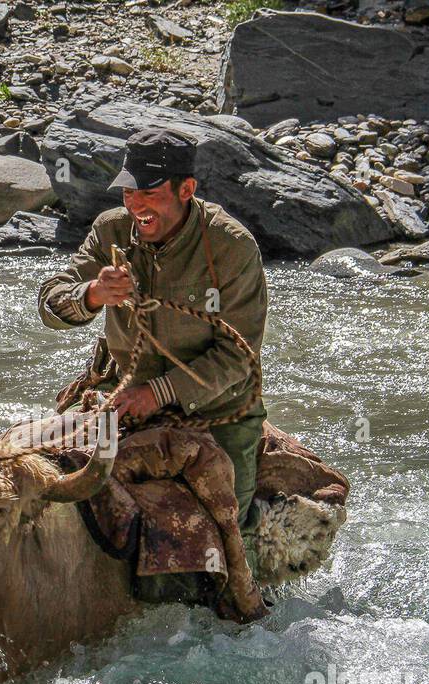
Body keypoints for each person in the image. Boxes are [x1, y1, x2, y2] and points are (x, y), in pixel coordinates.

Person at [37, 126, 270, 560]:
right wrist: (90, 295)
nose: (135, 203)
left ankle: (247, 604)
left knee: (226, 529)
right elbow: (49, 302)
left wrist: (160, 394)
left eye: (148, 192)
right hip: (120, 393)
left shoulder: (232, 247)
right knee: (46, 482)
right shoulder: (111, 230)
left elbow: (238, 355)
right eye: (128, 191)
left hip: (216, 408)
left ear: (187, 189)